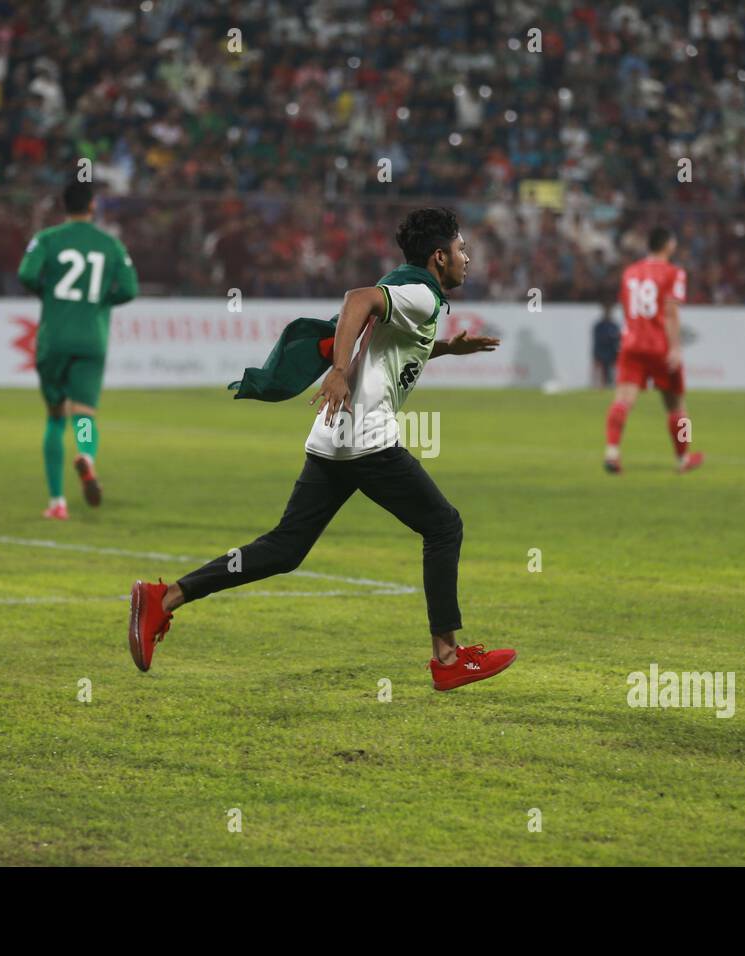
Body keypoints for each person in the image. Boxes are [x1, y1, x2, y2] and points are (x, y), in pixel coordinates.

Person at [126, 207, 517, 692]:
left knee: (285, 548)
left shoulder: (411, 286)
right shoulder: (417, 292)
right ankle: (448, 657)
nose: (467, 258)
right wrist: (336, 371)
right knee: (443, 526)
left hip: (333, 436)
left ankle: (164, 599)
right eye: (461, 249)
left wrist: (444, 349)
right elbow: (357, 300)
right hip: (367, 441)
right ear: (439, 256)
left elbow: (384, 339)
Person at [17, 181, 139, 518]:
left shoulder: (47, 239)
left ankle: (57, 502)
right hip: (92, 338)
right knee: (84, 413)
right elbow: (130, 289)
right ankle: (86, 454)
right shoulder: (110, 244)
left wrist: (50, 295)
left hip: (54, 337)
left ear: (63, 206)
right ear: (93, 205)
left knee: (55, 418)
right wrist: (99, 301)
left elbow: (26, 274)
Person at [605, 226, 704, 475]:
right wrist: (676, 348)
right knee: (677, 406)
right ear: (668, 245)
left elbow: (627, 306)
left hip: (631, 344)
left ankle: (612, 452)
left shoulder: (630, 272)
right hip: (659, 346)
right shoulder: (674, 273)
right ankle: (683, 459)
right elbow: (670, 312)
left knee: (623, 401)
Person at [592, 297, 621, 387]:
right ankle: (601, 387)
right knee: (602, 374)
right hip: (601, 353)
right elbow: (596, 341)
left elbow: (618, 340)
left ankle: (612, 386)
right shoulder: (599, 326)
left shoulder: (614, 325)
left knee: (612, 374)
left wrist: (617, 353)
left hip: (612, 354)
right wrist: (596, 355)